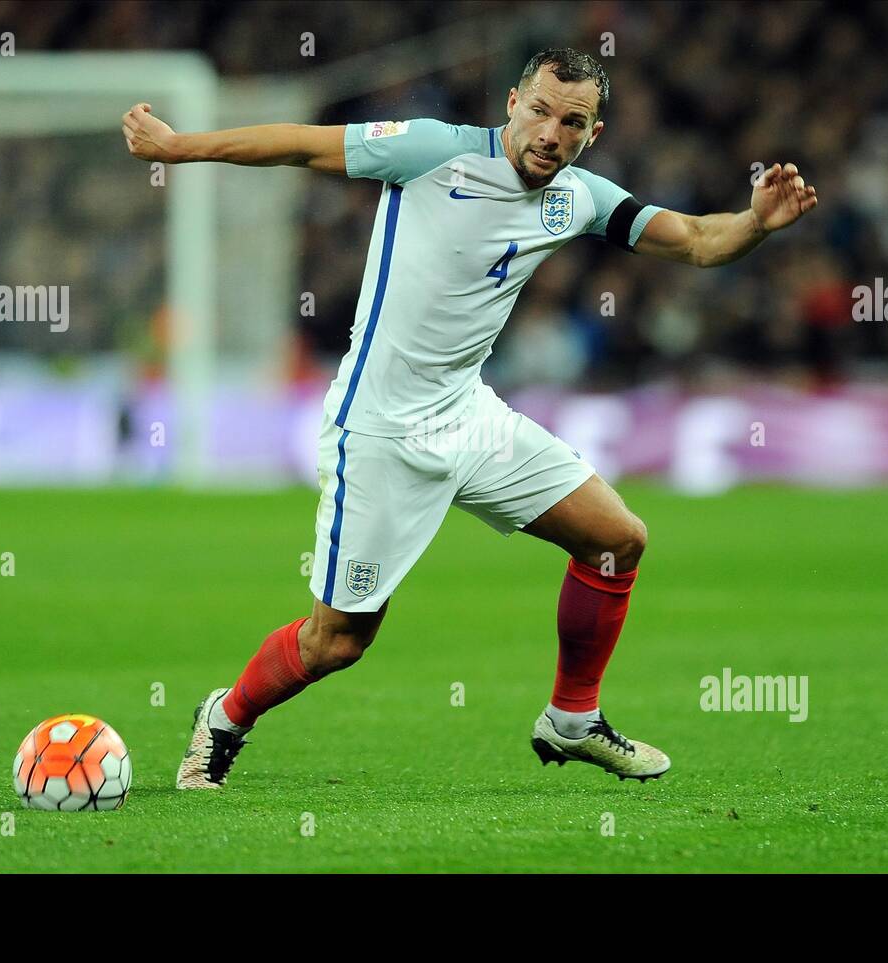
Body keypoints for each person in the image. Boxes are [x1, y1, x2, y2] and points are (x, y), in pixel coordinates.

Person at [121, 47, 818, 788]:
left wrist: (757, 222)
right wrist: (179, 148)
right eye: (542, 111)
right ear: (513, 102)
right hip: (381, 430)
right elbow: (300, 141)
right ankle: (224, 717)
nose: (552, 133)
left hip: (470, 416)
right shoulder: (430, 152)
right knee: (338, 641)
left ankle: (572, 718)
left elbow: (698, 242)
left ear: (593, 131)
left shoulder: (577, 197)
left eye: (572, 122)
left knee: (616, 540)